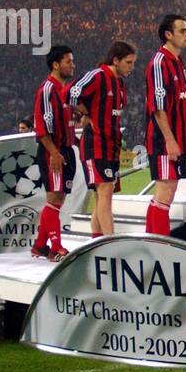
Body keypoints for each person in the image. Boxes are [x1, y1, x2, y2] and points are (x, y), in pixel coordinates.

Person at [70, 40, 136, 238]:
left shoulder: (120, 83)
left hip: (111, 146)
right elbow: (71, 93)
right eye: (128, 62)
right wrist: (85, 111)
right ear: (115, 60)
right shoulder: (98, 76)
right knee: (105, 192)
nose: (131, 67)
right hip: (95, 144)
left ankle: (97, 241)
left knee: (101, 196)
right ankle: (110, 242)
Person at [144, 14, 186, 236]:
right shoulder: (159, 62)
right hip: (163, 139)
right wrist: (170, 139)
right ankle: (160, 244)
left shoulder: (179, 62)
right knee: (165, 191)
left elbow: (181, 102)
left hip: (177, 137)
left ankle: (152, 241)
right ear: (168, 34)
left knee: (167, 192)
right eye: (182, 30)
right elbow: (158, 106)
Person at [29, 45, 76, 261]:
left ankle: (39, 246)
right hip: (53, 152)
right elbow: (42, 129)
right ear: (56, 65)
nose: (72, 65)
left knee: (58, 201)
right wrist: (54, 153)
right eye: (68, 61)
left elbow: (64, 124)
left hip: (65, 150)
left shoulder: (65, 91)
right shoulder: (48, 90)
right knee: (54, 200)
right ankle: (56, 248)